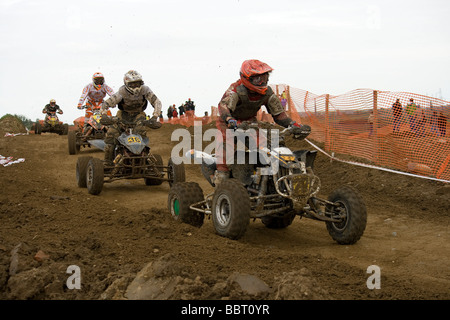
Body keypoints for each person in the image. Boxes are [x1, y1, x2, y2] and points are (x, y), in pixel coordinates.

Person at [214, 59, 311, 186]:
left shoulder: (267, 93)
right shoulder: (236, 90)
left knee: (265, 150)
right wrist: (230, 120)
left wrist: (293, 125)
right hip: (228, 122)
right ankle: (221, 182)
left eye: (265, 78)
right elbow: (224, 107)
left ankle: (262, 181)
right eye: (257, 79)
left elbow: (279, 114)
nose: (262, 82)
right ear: (246, 78)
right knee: (225, 153)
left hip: (250, 123)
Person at [100, 70, 162, 164]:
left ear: (141, 82)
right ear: (126, 83)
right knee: (111, 134)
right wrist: (104, 115)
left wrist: (154, 117)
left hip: (139, 114)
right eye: (133, 84)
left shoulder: (145, 90)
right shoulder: (121, 92)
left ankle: (143, 158)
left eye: (137, 83)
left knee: (140, 133)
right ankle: (108, 161)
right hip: (122, 115)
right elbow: (106, 103)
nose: (136, 86)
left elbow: (157, 102)